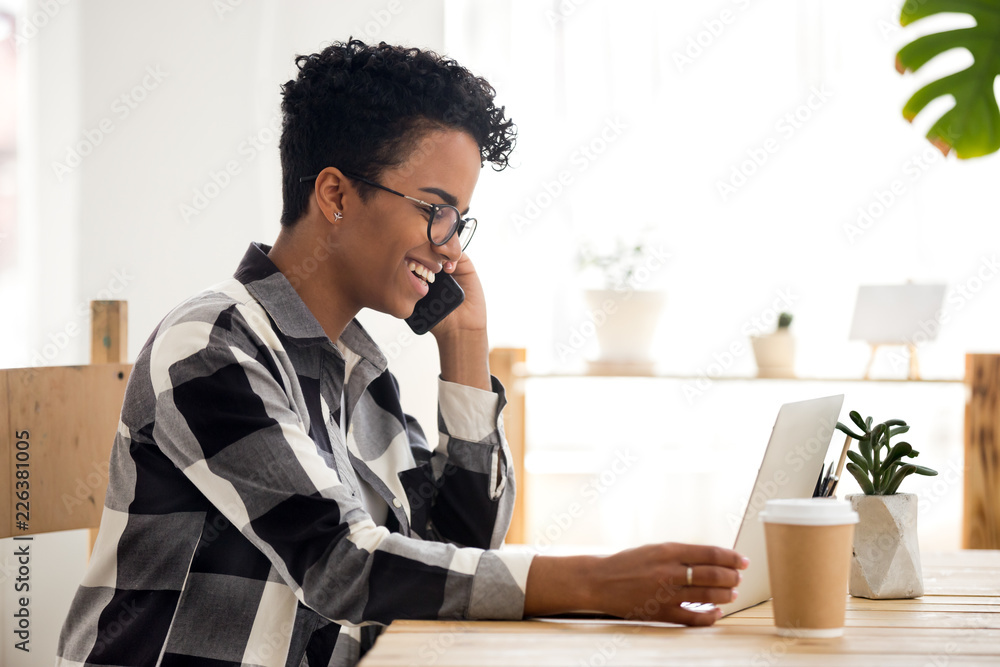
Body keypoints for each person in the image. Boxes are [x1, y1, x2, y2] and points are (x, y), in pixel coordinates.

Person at [56, 39, 747, 667]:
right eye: (434, 208)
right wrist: (592, 582)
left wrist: (467, 351)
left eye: (459, 220)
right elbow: (339, 563)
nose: (449, 244)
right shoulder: (211, 345)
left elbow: (456, 551)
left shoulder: (360, 375)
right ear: (334, 194)